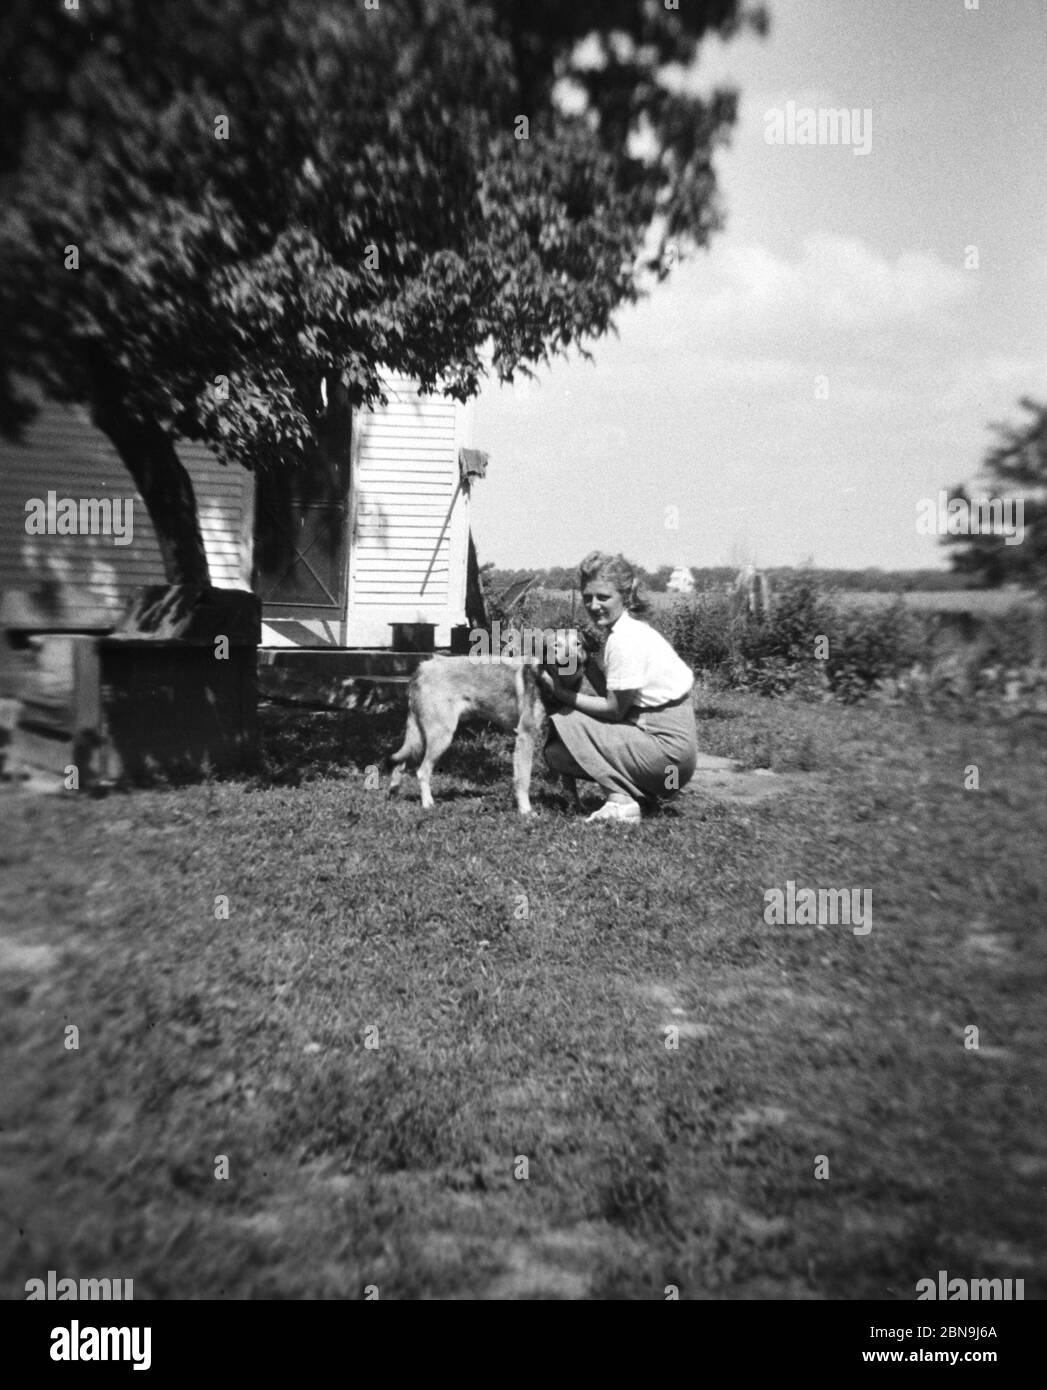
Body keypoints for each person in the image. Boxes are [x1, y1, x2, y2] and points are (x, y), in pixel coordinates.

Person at [539, 552, 698, 823]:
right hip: (673, 763)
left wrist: (560, 692)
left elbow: (614, 711)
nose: (594, 605)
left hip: (667, 755)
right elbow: (615, 698)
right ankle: (640, 793)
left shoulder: (623, 640)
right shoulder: (631, 630)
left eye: (603, 597)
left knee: (569, 717)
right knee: (556, 752)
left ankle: (621, 803)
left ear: (625, 595)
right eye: (588, 597)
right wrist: (588, 664)